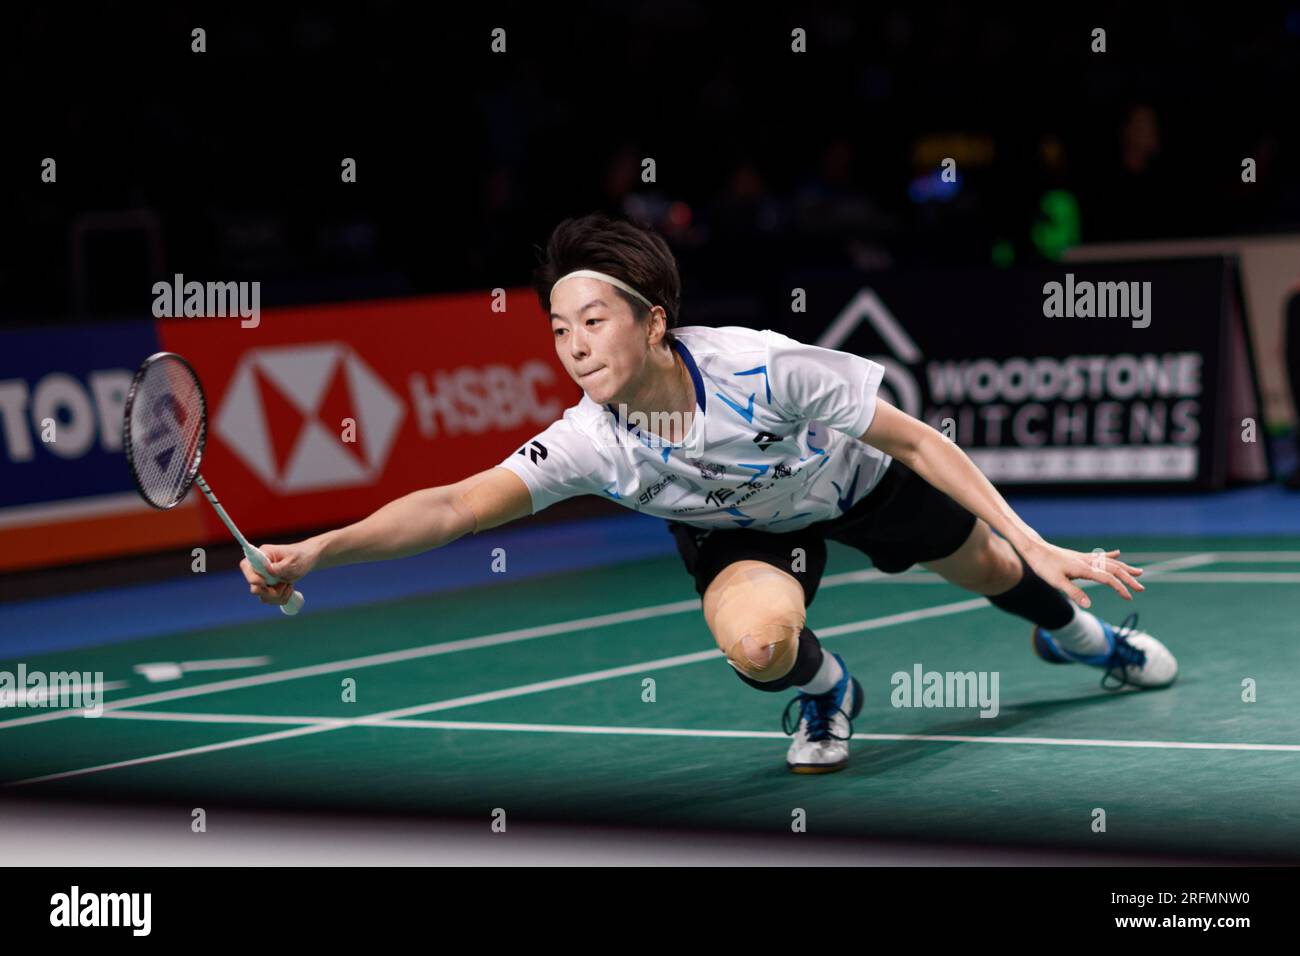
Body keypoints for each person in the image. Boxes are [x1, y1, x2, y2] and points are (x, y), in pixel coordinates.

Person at [240, 213, 1177, 774]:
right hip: (737, 535)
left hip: (844, 480)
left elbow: (920, 440)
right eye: (558, 327)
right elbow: (452, 505)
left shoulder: (764, 372)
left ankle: (1082, 638)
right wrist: (318, 549)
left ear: (654, 323)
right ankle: (829, 688)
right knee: (761, 642)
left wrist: (1039, 539)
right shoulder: (589, 441)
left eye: (592, 321)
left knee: (991, 566)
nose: (572, 345)